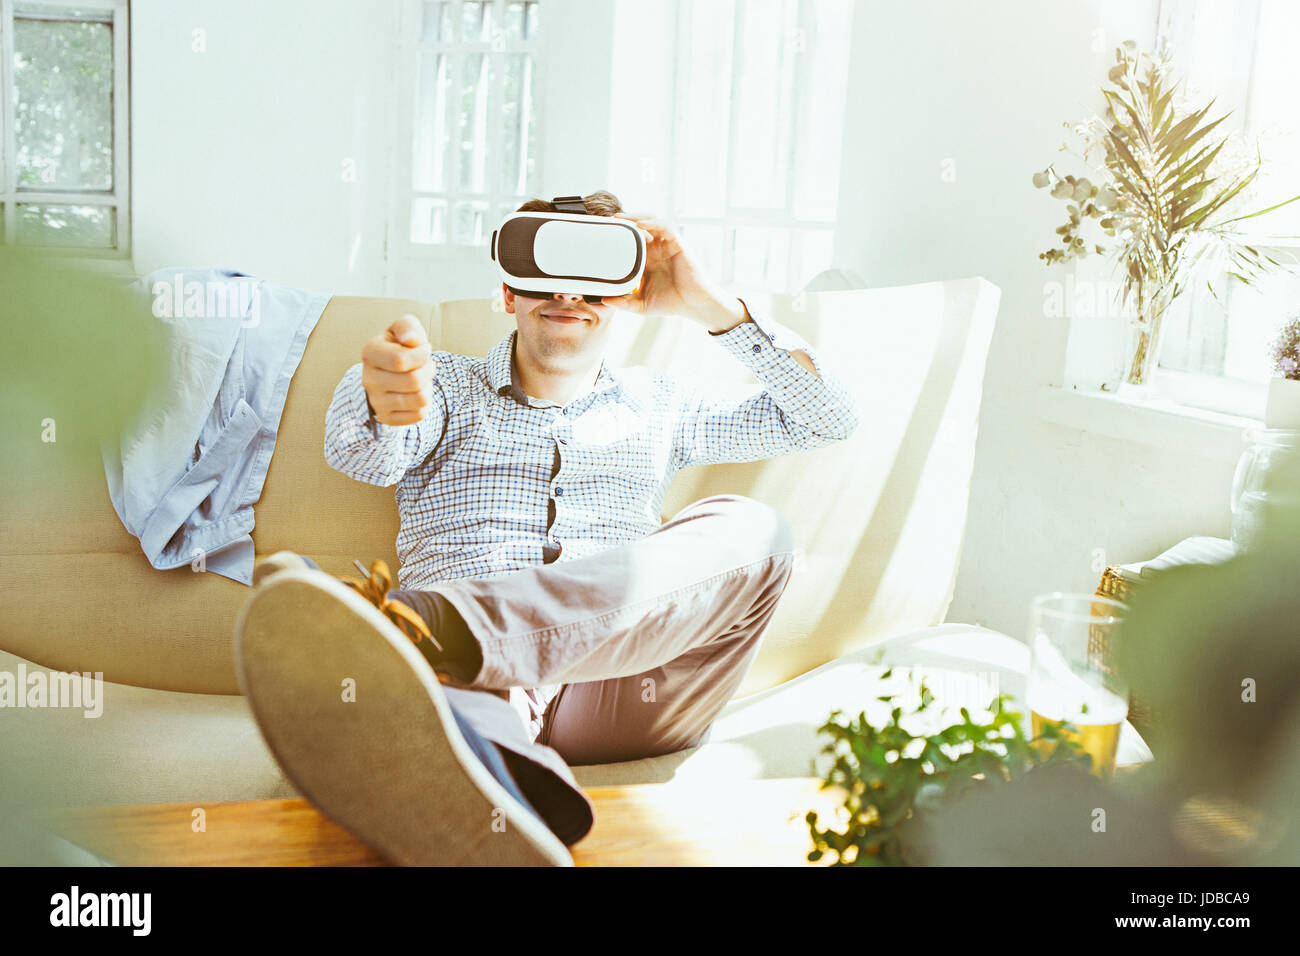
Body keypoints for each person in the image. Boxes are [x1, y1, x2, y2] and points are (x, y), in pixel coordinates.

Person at [235, 189, 860, 865]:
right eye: (546, 272)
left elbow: (825, 416)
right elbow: (364, 452)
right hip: (467, 687)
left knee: (757, 533)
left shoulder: (664, 406)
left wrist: (709, 303)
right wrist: (384, 398)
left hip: (620, 686)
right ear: (508, 291)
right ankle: (513, 789)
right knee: (435, 712)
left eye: (593, 278)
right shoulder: (442, 384)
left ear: (623, 293)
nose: (569, 294)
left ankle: (419, 624)